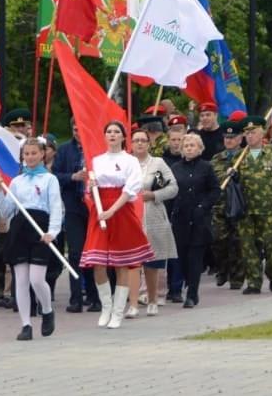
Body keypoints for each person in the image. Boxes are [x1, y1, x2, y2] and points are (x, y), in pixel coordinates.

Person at [79, 121, 151, 329]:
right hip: (100, 211)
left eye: (116, 132)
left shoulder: (130, 161)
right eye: (108, 131)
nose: (112, 135)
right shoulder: (96, 160)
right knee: (97, 262)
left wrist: (113, 210)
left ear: (123, 137)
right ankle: (106, 307)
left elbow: (131, 189)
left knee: (121, 263)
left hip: (120, 210)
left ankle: (119, 311)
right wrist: (90, 186)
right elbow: (92, 188)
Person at [0, 137, 64, 341]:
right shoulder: (17, 181)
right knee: (22, 280)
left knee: (36, 279)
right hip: (20, 229)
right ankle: (26, 324)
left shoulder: (50, 179)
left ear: (42, 154)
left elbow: (56, 207)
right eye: (26, 154)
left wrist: (52, 232)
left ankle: (47, 309)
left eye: (34, 153)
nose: (30, 157)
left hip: (41, 229)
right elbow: (7, 210)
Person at [233, 116, 272, 293]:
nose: (250, 136)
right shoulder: (239, 157)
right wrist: (232, 176)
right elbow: (232, 186)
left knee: (270, 245)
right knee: (249, 246)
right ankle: (254, 282)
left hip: (267, 207)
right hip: (246, 209)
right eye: (247, 133)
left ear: (262, 133)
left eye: (253, 132)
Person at [130, 128, 178, 316]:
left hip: (153, 214)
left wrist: (154, 195)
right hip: (131, 214)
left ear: (149, 144)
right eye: (136, 140)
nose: (140, 143)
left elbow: (173, 187)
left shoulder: (157, 163)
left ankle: (153, 299)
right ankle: (133, 302)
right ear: (131, 144)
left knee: (154, 259)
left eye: (143, 140)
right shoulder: (127, 163)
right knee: (133, 260)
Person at [169, 133, 218, 308]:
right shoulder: (175, 168)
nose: (189, 148)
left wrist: (203, 206)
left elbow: (215, 190)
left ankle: (192, 293)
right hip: (180, 219)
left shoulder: (206, 167)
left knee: (195, 257)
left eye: (192, 145)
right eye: (186, 145)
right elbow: (168, 189)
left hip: (199, 219)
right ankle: (188, 282)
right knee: (182, 257)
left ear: (200, 148)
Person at [51, 123, 95, 313]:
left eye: (82, 129)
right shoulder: (64, 150)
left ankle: (95, 297)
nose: (78, 133)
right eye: (75, 129)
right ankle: (76, 298)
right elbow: (55, 175)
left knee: (94, 253)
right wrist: (72, 177)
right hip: (73, 206)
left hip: (94, 207)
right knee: (76, 253)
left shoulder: (95, 147)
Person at [210, 119, 246, 286]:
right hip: (220, 205)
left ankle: (237, 277)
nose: (229, 140)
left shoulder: (245, 157)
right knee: (219, 240)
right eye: (226, 137)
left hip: (239, 205)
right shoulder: (217, 159)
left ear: (240, 139)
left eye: (233, 137)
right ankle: (222, 269)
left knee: (237, 241)